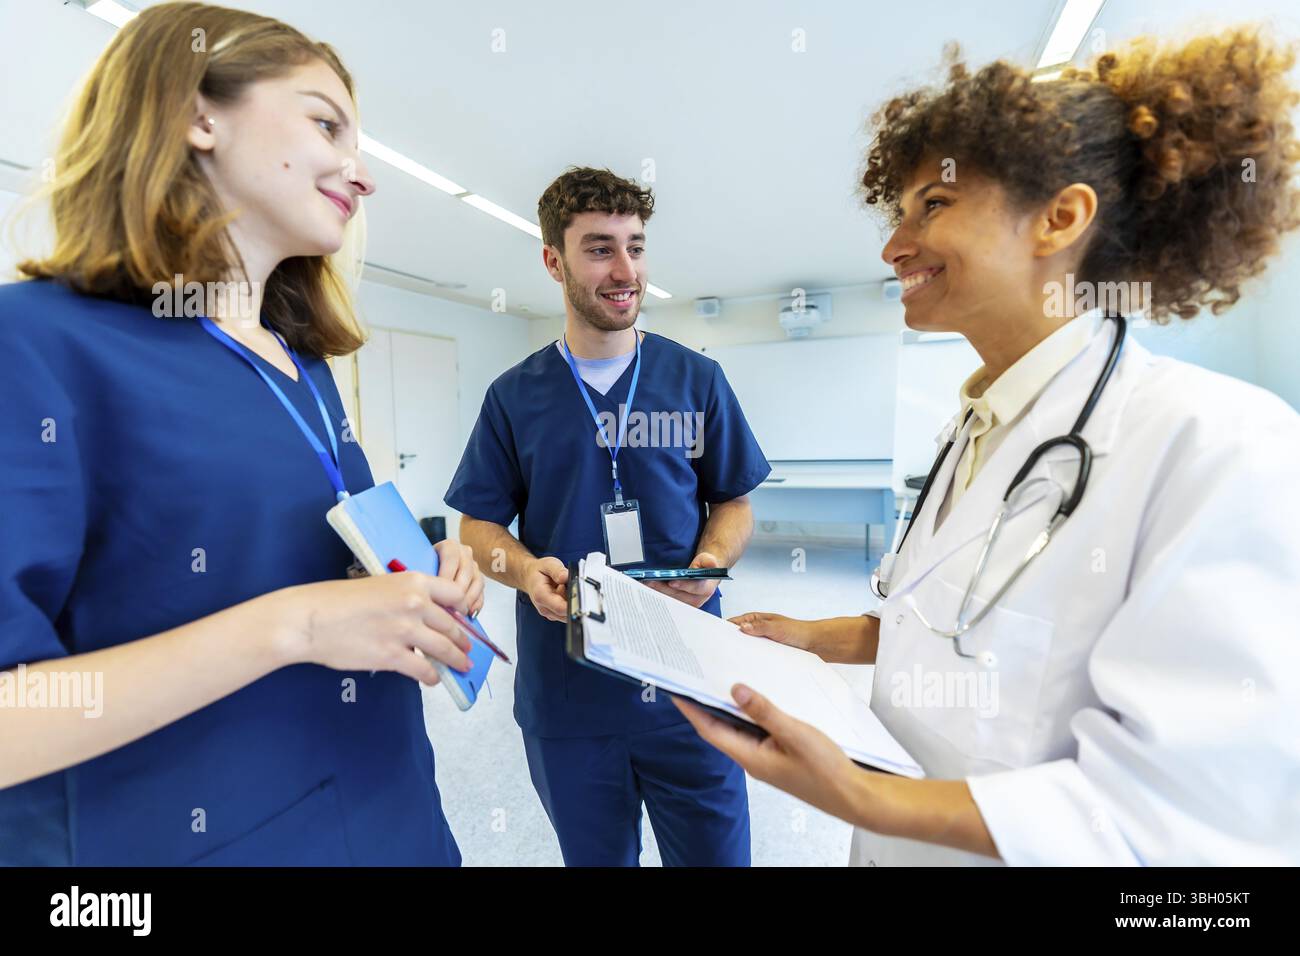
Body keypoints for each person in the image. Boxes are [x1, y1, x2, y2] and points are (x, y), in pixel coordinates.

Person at [675, 28, 1300, 866]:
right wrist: (811, 635)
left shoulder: (1219, 449)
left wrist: (866, 798)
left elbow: (1191, 829)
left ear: (1061, 218)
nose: (893, 247)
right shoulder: (971, 430)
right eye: (897, 215)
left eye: (932, 206)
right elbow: (950, 627)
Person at [0, 1, 483, 865]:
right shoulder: (35, 345)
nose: (360, 173)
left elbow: (314, 547)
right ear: (198, 115)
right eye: (326, 123)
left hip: (392, 813)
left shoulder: (305, 368)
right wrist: (295, 626)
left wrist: (424, 572)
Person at [447, 167, 770, 866]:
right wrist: (527, 570)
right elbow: (475, 530)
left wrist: (711, 562)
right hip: (570, 700)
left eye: (636, 246)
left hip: (692, 690)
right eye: (600, 249)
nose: (627, 271)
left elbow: (734, 503)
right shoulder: (514, 398)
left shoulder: (696, 380)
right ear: (552, 260)